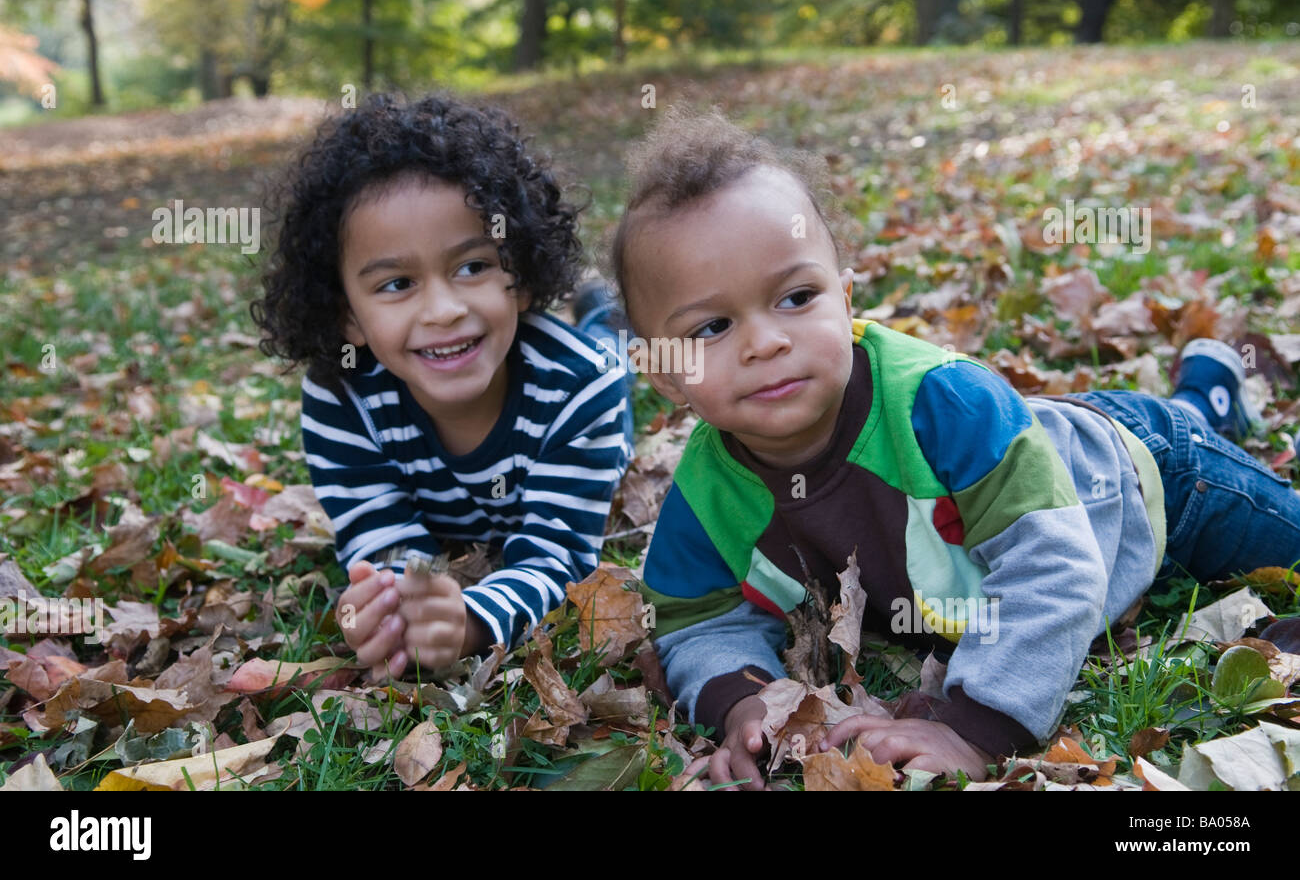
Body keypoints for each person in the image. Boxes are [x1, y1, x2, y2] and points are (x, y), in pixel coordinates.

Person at [607, 106, 1300, 789]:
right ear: (664, 372)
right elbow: (696, 618)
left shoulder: (945, 402)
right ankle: (1209, 386)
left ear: (847, 302)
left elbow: (1052, 566)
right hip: (1060, 444)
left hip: (1148, 479)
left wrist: (974, 724)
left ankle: (1201, 402)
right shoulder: (705, 488)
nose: (765, 340)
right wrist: (742, 697)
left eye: (795, 297)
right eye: (715, 325)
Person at [251, 93, 634, 681]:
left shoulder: (581, 390)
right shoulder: (343, 395)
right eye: (397, 283)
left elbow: (559, 560)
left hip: (591, 374)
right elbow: (383, 542)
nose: (443, 309)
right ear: (347, 313)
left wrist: (474, 620)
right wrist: (392, 603)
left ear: (523, 277)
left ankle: (602, 313)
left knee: (613, 352)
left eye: (473, 266)